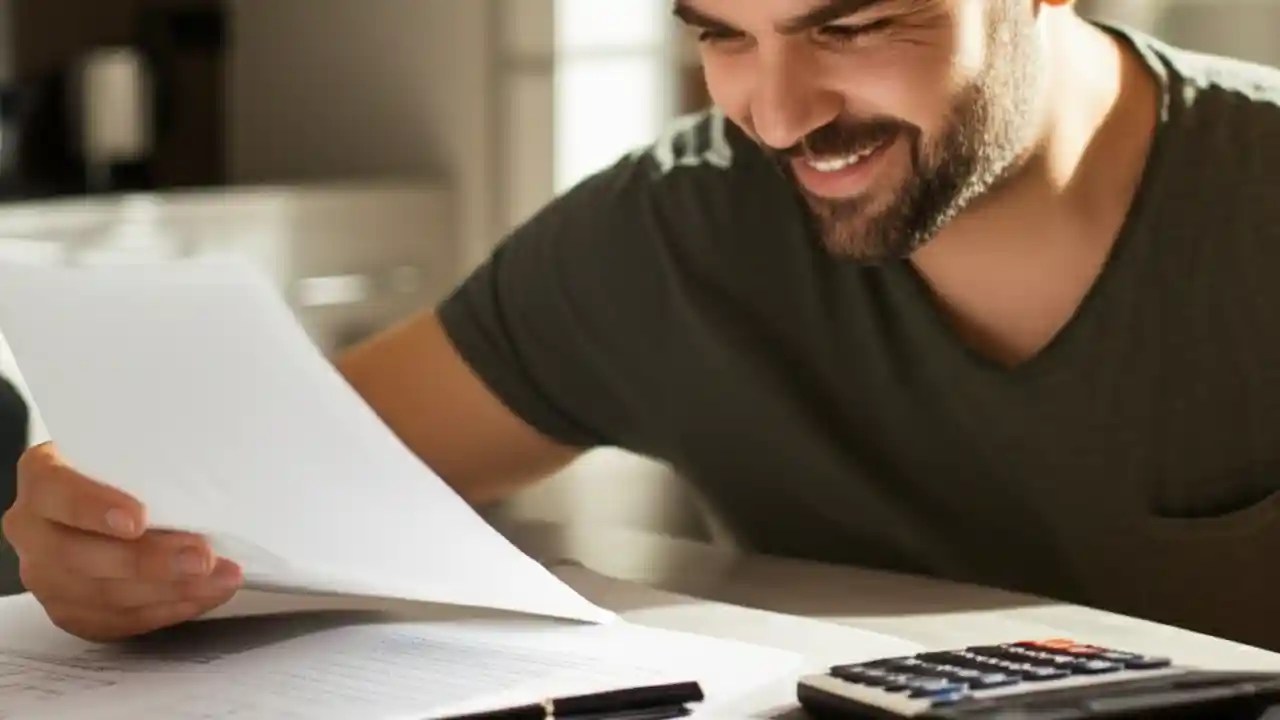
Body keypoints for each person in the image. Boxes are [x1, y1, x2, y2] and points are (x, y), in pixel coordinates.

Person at [5, 0, 1280, 650]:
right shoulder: (675, 230)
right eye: (723, 33)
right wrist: (106, 534)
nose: (776, 115)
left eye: (848, 24)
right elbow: (268, 490)